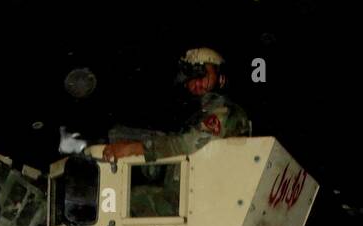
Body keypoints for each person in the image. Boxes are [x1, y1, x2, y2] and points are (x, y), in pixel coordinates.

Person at [103, 47, 252, 164]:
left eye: (202, 74)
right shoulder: (196, 117)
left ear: (220, 76)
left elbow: (190, 144)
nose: (196, 83)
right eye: (190, 80)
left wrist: (134, 148)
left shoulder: (226, 111)